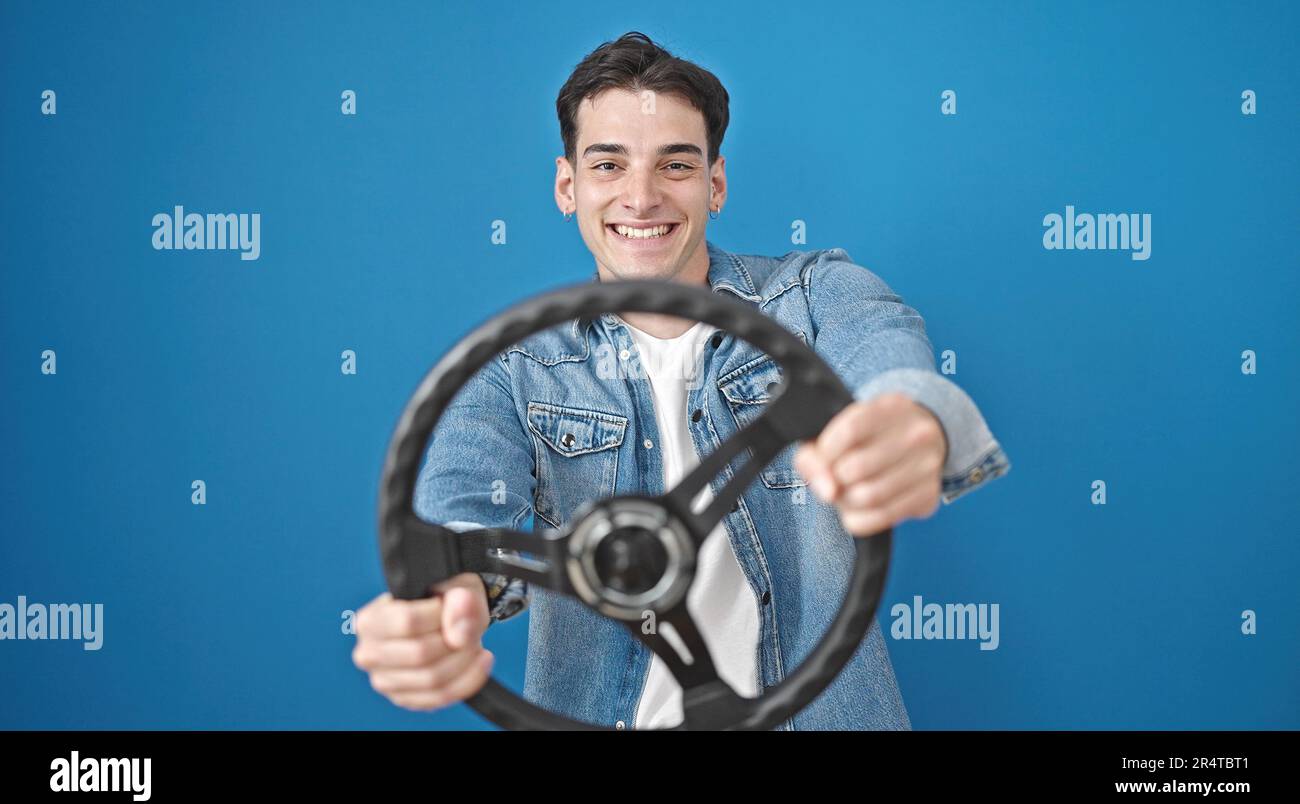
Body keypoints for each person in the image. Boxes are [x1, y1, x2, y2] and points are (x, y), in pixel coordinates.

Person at [352, 31, 1010, 729]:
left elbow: (890, 360)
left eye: (675, 164)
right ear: (567, 186)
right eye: (608, 164)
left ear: (715, 184)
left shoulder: (815, 296)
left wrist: (910, 421)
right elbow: (458, 516)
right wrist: (445, 604)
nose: (641, 197)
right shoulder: (511, 372)